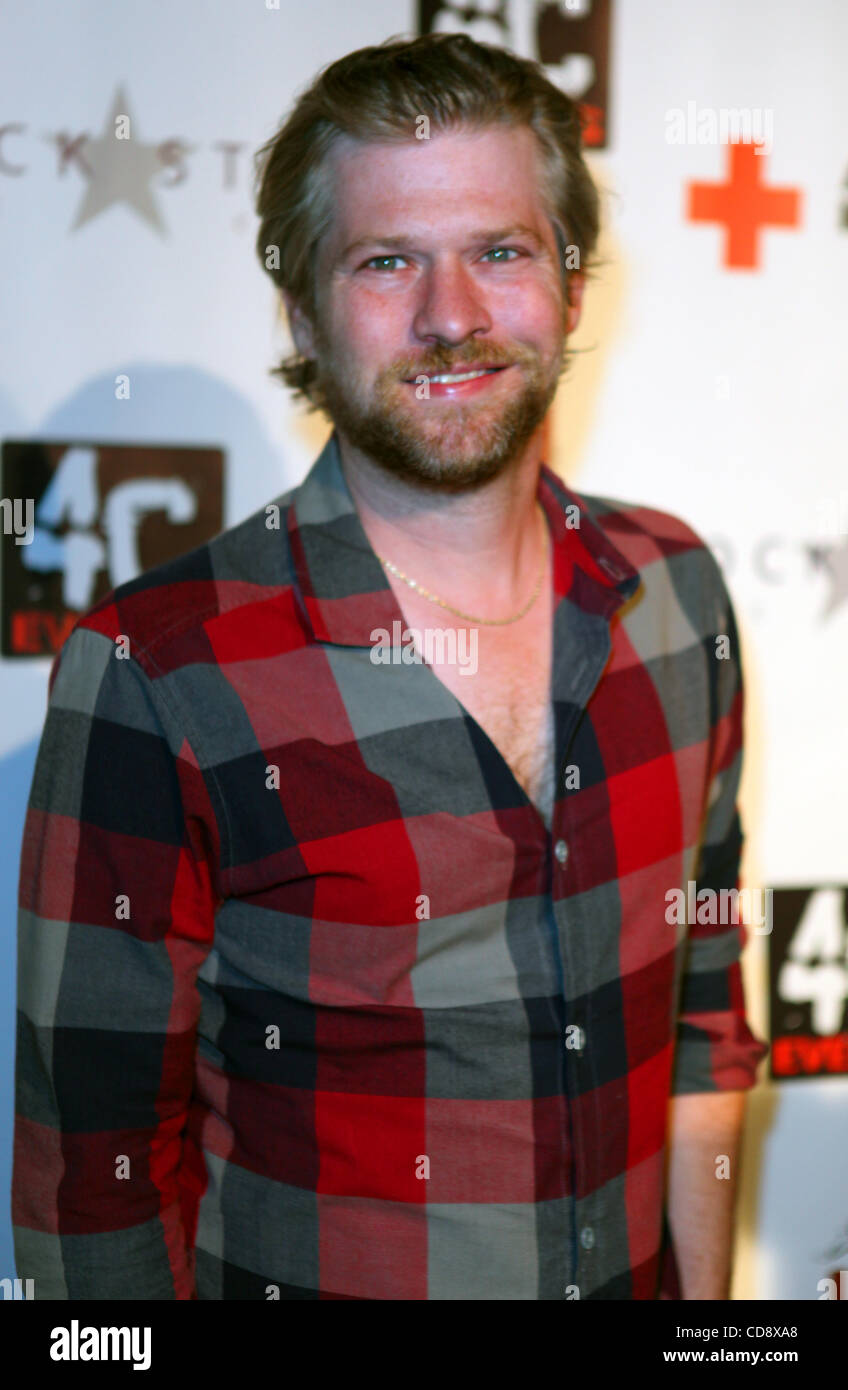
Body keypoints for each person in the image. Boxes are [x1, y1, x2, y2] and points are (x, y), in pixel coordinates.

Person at [12, 32, 768, 1300]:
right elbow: (94, 1186)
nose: (451, 314)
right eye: (385, 261)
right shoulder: (158, 669)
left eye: (500, 250)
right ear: (303, 310)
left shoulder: (676, 594)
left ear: (570, 287)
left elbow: (703, 1024)